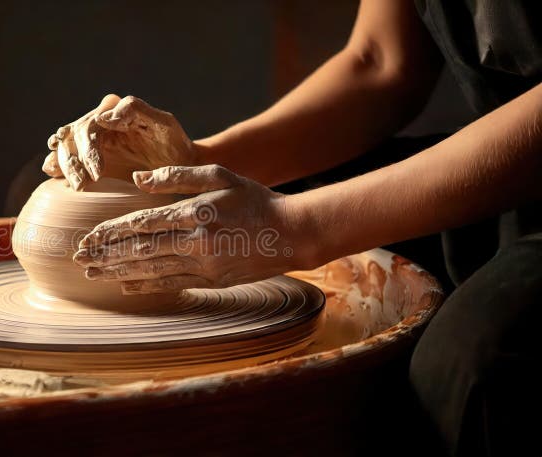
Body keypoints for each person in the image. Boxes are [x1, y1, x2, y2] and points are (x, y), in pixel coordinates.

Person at [40, 1, 541, 455]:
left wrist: (299, 227)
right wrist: (196, 162)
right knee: (54, 196)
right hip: (489, 172)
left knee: (472, 362)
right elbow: (379, 61)